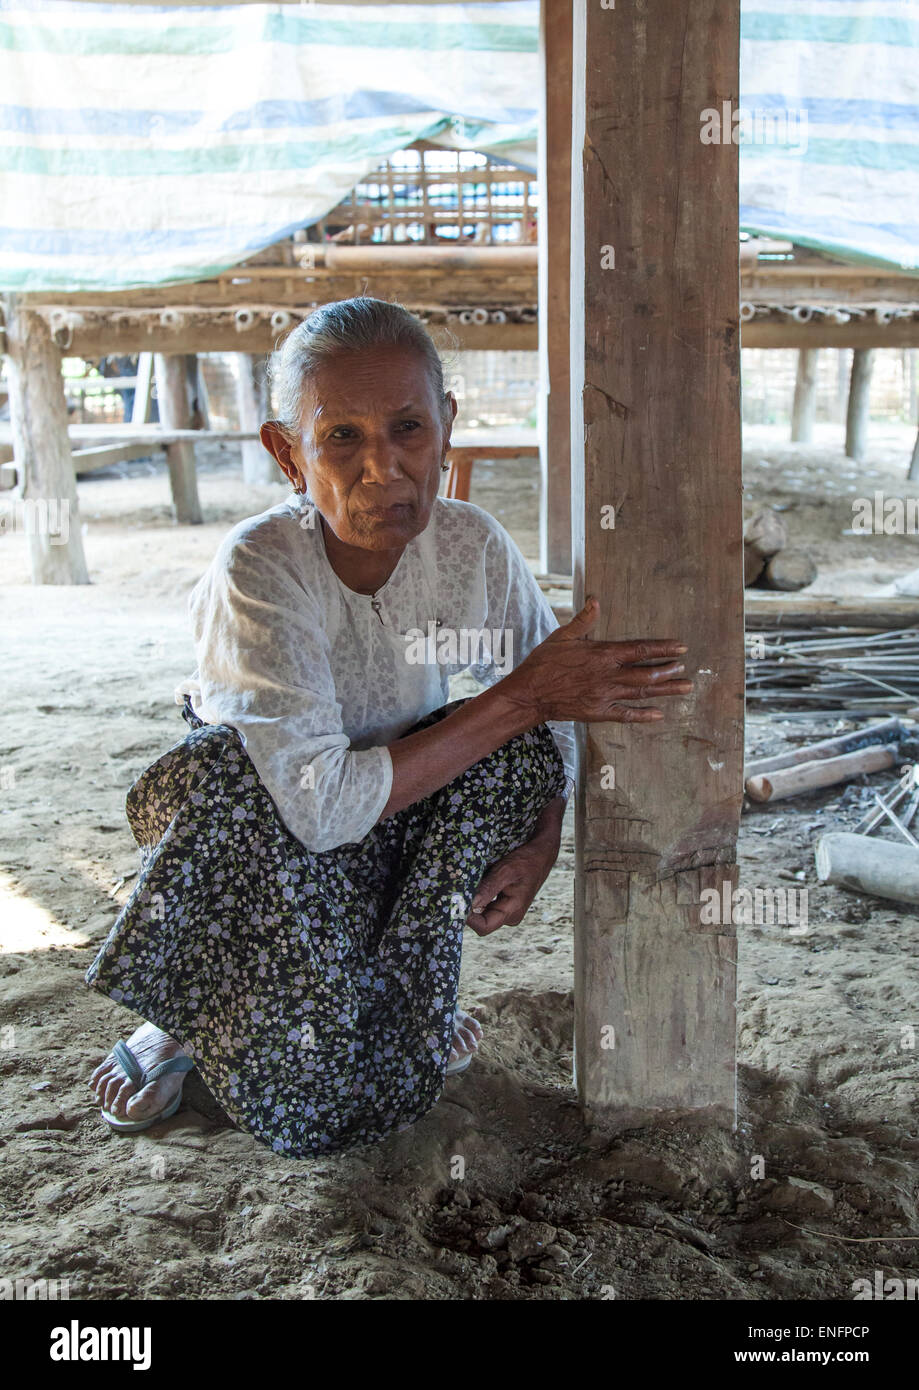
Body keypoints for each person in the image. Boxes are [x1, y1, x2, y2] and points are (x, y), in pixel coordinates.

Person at [87, 297, 691, 1157]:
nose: (383, 466)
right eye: (341, 437)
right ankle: (181, 1016)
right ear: (287, 454)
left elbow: (557, 701)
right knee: (226, 778)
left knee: (517, 754)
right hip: (259, 840)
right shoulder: (261, 565)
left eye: (408, 427)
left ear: (446, 428)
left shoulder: (470, 546)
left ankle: (399, 995)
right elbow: (320, 809)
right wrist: (520, 699)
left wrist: (541, 840)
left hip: (392, 807)